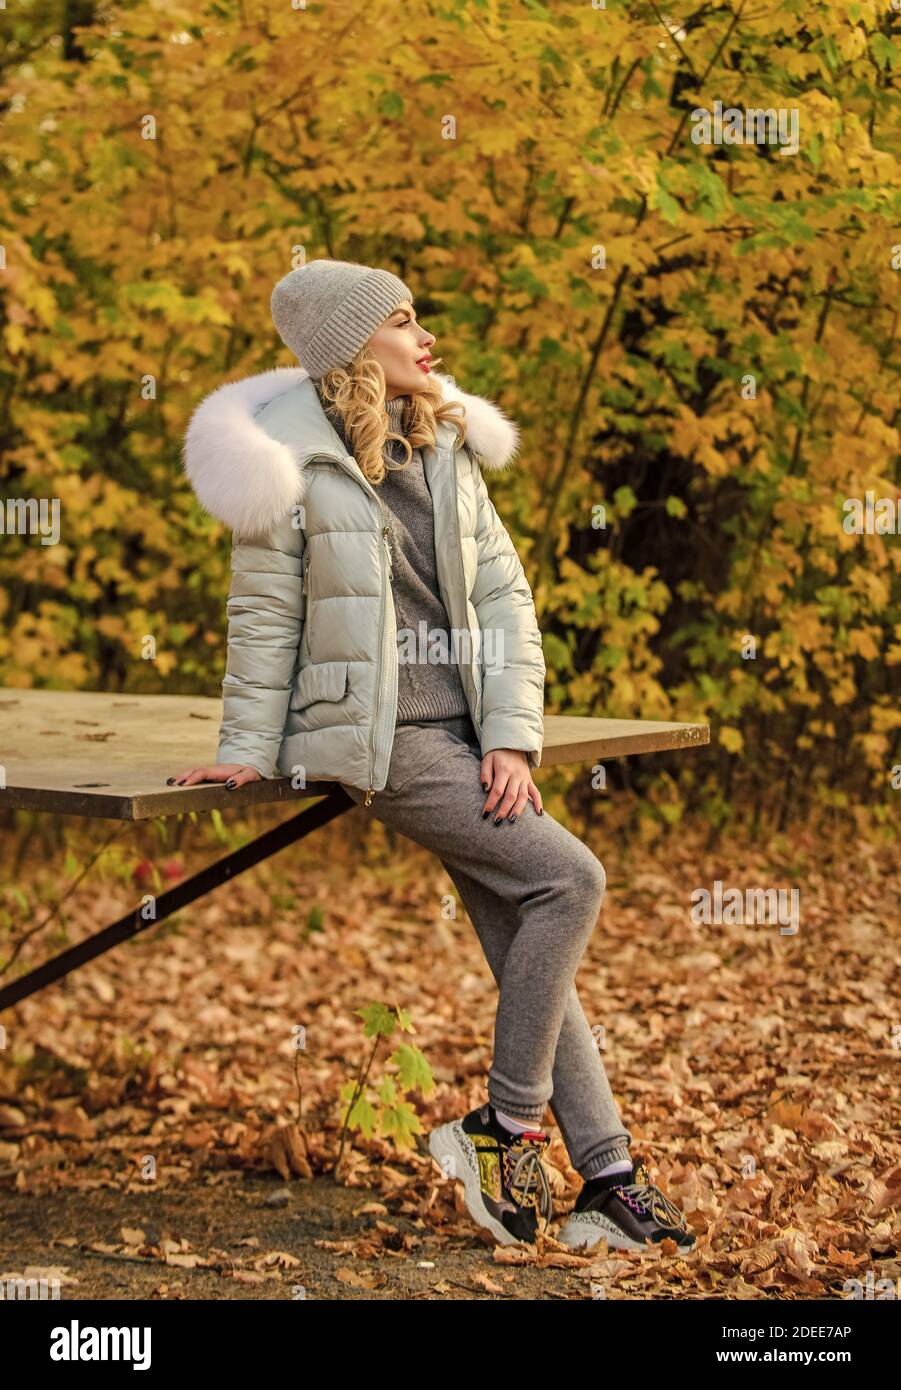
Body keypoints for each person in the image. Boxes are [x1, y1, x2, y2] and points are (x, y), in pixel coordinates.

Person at [173, 258, 695, 1254]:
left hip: (463, 731)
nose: (426, 339)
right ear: (350, 343)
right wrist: (244, 746)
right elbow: (265, 614)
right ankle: (501, 1127)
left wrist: (509, 734)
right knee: (570, 881)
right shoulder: (285, 461)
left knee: (527, 937)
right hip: (385, 741)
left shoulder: (442, 443)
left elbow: (505, 599)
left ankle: (610, 1179)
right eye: (403, 321)